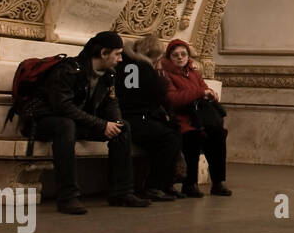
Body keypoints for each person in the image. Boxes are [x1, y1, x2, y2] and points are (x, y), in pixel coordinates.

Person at [20, 31, 147, 214]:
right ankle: (67, 196)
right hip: (42, 122)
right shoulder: (68, 70)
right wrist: (101, 125)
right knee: (65, 125)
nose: (120, 59)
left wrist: (114, 122)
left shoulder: (108, 75)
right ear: (103, 53)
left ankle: (122, 192)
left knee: (122, 127)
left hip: (77, 122)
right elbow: (63, 107)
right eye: (117, 54)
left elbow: (111, 102)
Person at [160, 38, 231, 197]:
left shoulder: (194, 73)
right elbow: (173, 99)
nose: (180, 57)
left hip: (200, 118)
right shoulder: (166, 74)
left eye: (183, 54)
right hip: (181, 119)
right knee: (193, 137)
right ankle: (189, 183)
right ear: (169, 57)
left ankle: (219, 182)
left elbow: (204, 89)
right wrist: (199, 93)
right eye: (175, 54)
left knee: (218, 135)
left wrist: (210, 95)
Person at [115, 35, 181, 201]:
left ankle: (164, 184)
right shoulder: (143, 67)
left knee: (170, 133)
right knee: (170, 138)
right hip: (136, 118)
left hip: (129, 115)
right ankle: (155, 185)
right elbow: (158, 93)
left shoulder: (124, 63)